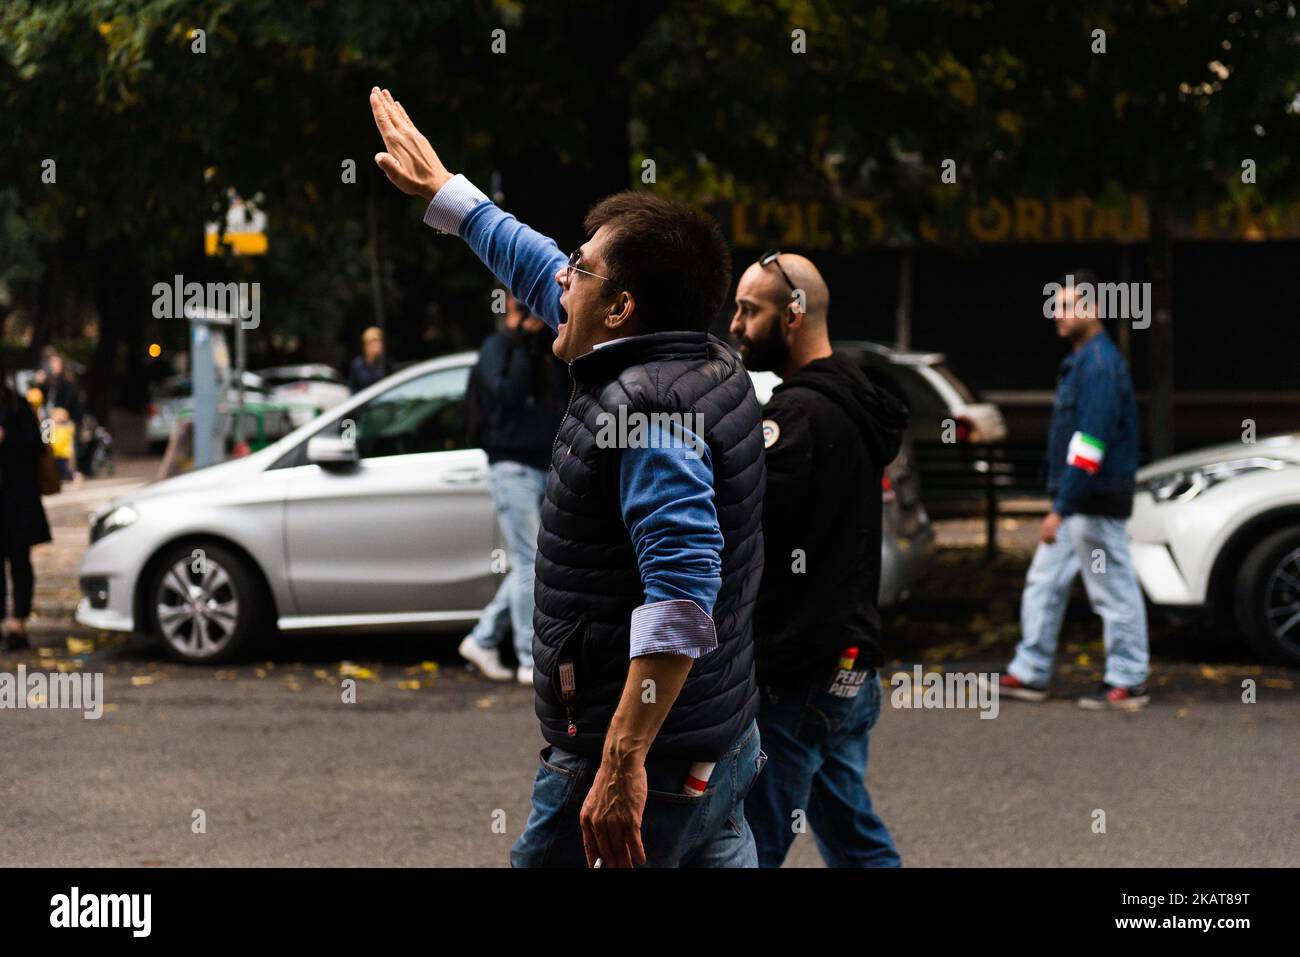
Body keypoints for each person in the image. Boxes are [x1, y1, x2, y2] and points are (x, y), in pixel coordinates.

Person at [371, 86, 766, 868]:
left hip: (641, 769)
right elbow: (542, 262)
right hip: (716, 744)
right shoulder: (697, 359)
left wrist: (619, 766)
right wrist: (449, 194)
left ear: (618, 307)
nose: (559, 281)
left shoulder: (647, 408)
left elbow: (682, 599)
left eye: (579, 270)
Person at [729, 250, 908, 867]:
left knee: (749, 845)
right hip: (851, 665)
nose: (735, 324)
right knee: (850, 832)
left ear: (794, 315)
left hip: (800, 673)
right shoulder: (856, 398)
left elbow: (744, 528)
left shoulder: (796, 417)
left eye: (750, 311)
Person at [998, 269, 1149, 710]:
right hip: (1080, 499)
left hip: (1092, 501)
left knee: (1112, 588)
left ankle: (1129, 678)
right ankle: (1030, 672)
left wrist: (1061, 508)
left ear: (1095, 309)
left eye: (1067, 306)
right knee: (1044, 583)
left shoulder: (1099, 366)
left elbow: (1089, 445)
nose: (1058, 315)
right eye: (1056, 306)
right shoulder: (1085, 361)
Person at [458, 294, 569, 685]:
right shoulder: (497, 347)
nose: (527, 314)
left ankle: (483, 638)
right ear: (506, 306)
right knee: (530, 561)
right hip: (510, 467)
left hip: (543, 465)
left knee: (531, 561)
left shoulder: (544, 348)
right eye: (520, 306)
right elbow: (504, 396)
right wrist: (521, 342)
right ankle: (527, 657)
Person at [0, 360, 53, 651]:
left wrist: (7, 439)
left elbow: (38, 445)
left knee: (20, 562)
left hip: (17, 500)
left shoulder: (17, 406)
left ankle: (18, 622)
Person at [348, 326, 388, 393]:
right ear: (367, 345)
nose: (377, 347)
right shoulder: (358, 364)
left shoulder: (383, 364)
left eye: (379, 344)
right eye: (374, 344)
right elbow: (352, 388)